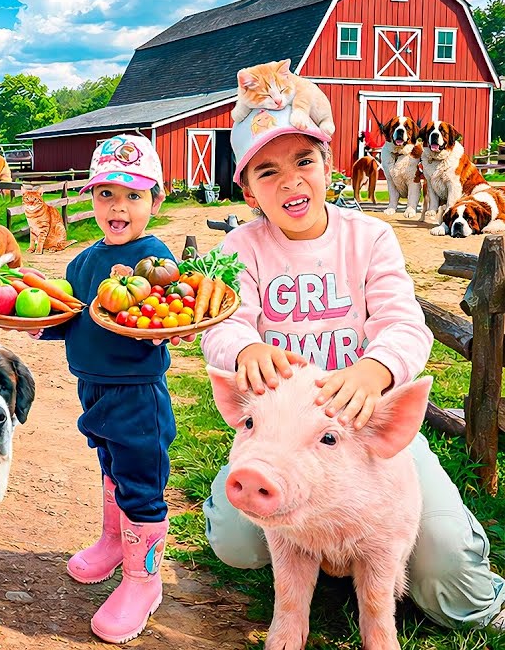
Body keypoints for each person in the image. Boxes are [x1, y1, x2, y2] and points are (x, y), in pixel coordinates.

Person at [201, 101, 505, 634]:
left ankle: (448, 580)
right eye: (267, 171)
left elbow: (404, 324)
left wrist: (376, 370)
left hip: (365, 429)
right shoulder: (240, 247)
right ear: (248, 189)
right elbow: (223, 323)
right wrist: (245, 349)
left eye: (303, 162)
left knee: (454, 583)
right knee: (237, 540)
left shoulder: (368, 237)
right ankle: (317, 567)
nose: (290, 182)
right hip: (279, 437)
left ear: (328, 165)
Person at [32, 135, 189, 644]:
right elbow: (75, 316)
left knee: (140, 479)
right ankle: (113, 540)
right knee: (110, 467)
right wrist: (42, 323)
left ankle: (144, 580)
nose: (118, 207)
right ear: (91, 198)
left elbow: (167, 312)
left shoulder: (155, 258)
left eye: (133, 196)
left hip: (137, 392)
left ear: (155, 200)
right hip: (93, 386)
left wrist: (152, 303)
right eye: (106, 195)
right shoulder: (82, 263)